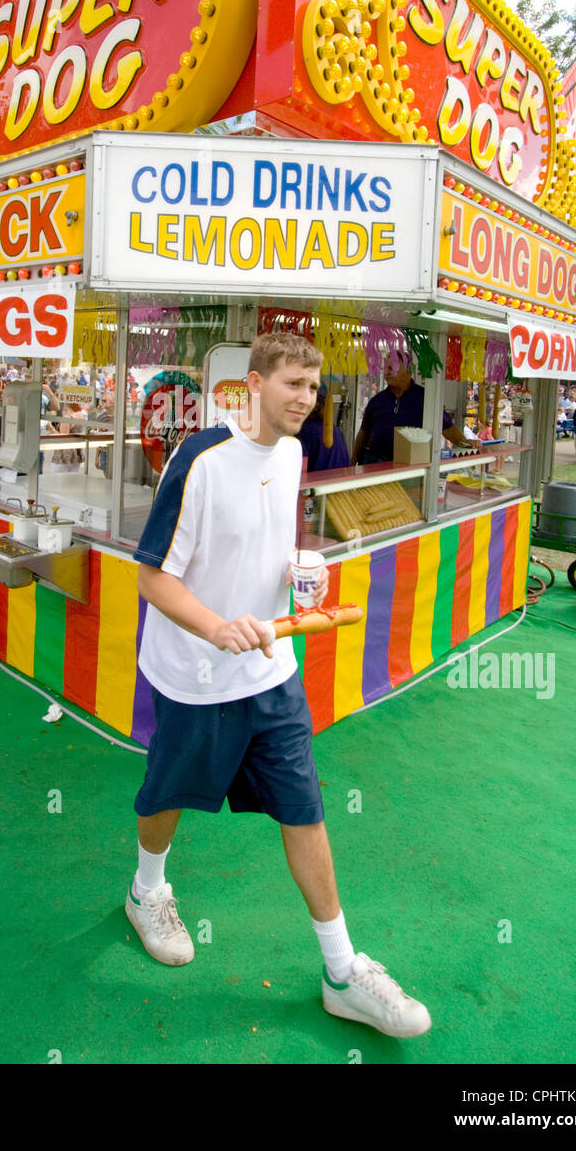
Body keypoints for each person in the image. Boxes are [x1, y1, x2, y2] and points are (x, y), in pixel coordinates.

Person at [127, 333, 431, 1039]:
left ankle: (342, 972)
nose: (306, 398)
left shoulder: (294, 454)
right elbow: (152, 574)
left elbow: (266, 542)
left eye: (313, 386)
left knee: (304, 809)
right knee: (168, 796)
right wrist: (213, 627)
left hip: (271, 671)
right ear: (255, 383)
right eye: (293, 383)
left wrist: (303, 571)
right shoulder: (199, 458)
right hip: (195, 674)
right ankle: (147, 892)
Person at [350, 362, 480, 464]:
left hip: (410, 467)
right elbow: (363, 433)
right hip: (374, 464)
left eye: (392, 367)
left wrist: (466, 443)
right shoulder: (377, 401)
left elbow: (447, 427)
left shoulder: (425, 398)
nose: (387, 372)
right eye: (386, 368)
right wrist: (353, 462)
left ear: (408, 370)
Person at [299, 385, 351, 471]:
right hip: (340, 483)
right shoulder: (336, 430)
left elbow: (300, 473)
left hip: (317, 483)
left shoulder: (305, 431)